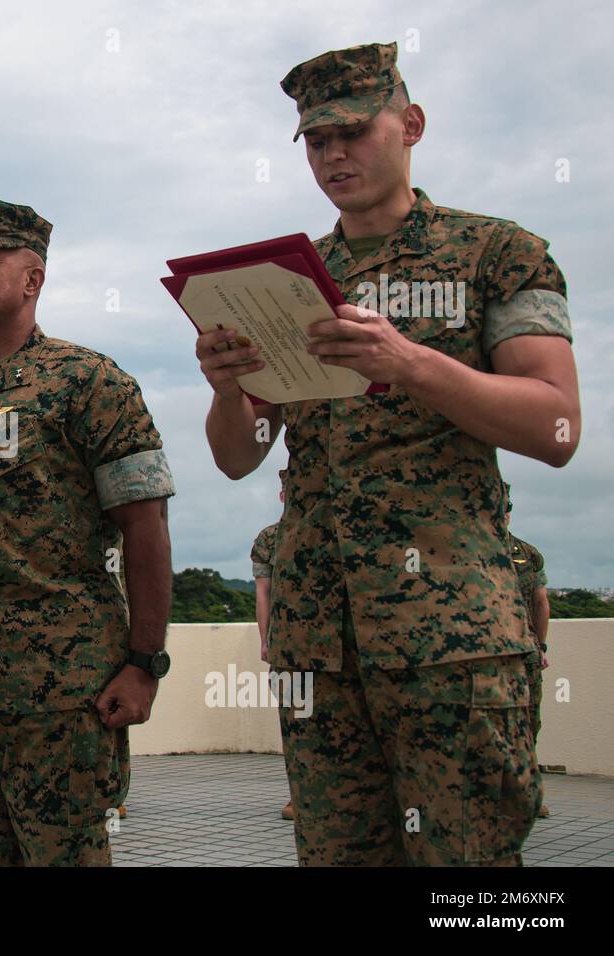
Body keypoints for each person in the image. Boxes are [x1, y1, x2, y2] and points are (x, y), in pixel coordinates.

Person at [198, 42, 580, 865]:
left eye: (352, 131)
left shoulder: (499, 254)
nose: (333, 153)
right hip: (318, 642)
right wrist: (230, 390)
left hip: (451, 638)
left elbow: (557, 427)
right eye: (313, 139)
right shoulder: (288, 282)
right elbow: (239, 458)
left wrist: (410, 362)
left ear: (410, 126)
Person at [0, 198, 175, 865]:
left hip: (61, 689)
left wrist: (144, 663)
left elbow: (147, 529)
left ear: (33, 278)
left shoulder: (89, 383)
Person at [505, 485, 551, 818]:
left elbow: (541, 602)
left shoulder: (526, 553)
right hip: (501, 651)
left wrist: (542, 645)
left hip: (519, 652)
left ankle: (526, 797)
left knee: (525, 723)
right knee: (511, 724)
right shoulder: (473, 548)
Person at [249, 471, 292, 820]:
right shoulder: (270, 539)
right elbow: (263, 593)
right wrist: (266, 639)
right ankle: (300, 794)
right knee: (294, 719)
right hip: (289, 640)